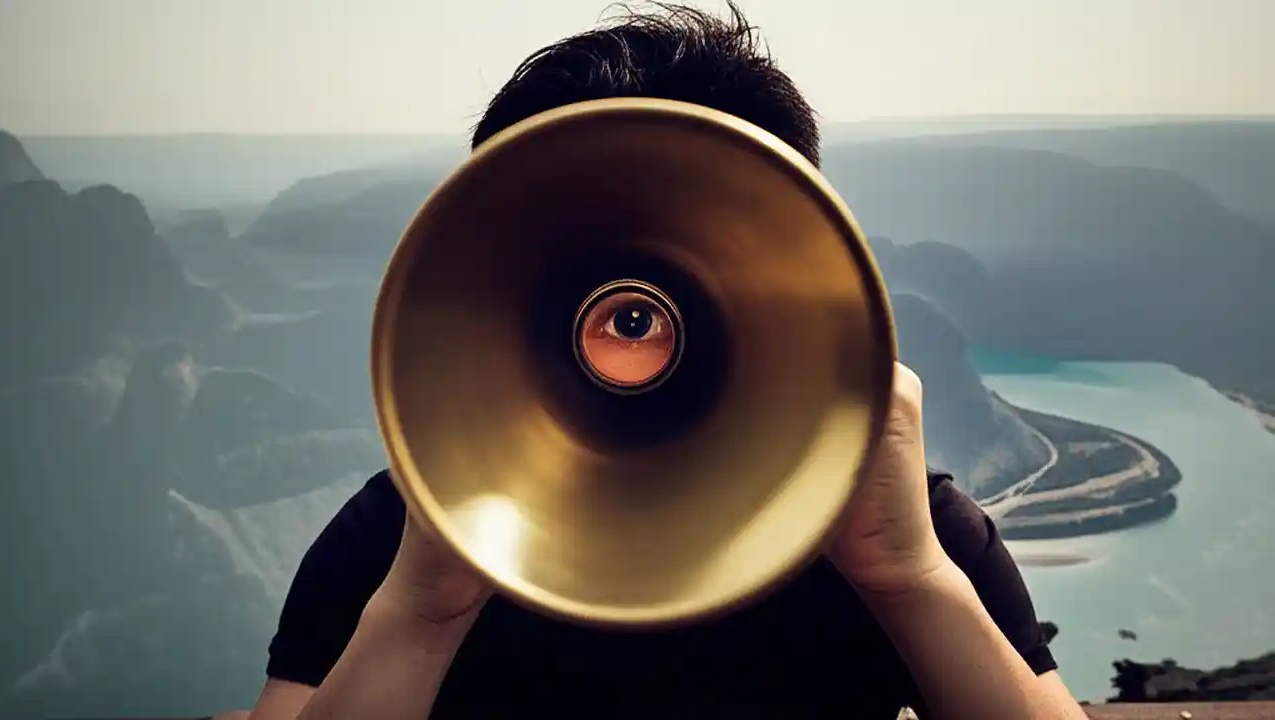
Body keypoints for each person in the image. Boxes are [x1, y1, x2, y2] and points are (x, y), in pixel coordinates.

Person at [248, 5, 1089, 719]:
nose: (634, 336)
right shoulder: (410, 535)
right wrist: (423, 609)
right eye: (623, 317)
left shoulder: (892, 521)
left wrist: (909, 578)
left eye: (645, 317)